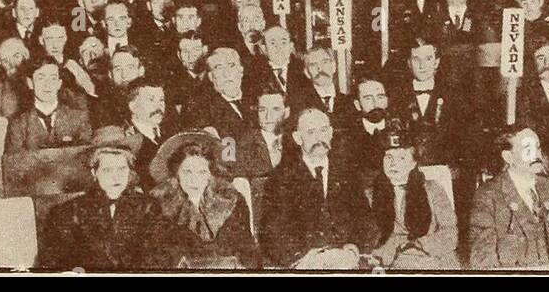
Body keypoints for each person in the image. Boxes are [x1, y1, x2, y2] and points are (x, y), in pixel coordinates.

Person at [38, 131, 174, 270]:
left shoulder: (149, 208)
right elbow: (53, 263)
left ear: (130, 171)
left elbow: (158, 258)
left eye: (121, 169)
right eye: (107, 170)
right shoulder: (68, 212)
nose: (116, 177)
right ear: (94, 173)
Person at [259, 107, 376, 268]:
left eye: (323, 130)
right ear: (297, 138)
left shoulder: (347, 172)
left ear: (331, 133)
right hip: (305, 261)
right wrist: (303, 257)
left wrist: (353, 248)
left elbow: (366, 220)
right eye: (311, 132)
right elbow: (272, 231)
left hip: (346, 257)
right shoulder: (280, 178)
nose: (319, 138)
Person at [468, 125, 549, 269]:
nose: (537, 156)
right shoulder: (488, 195)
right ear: (508, 157)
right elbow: (483, 257)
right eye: (528, 150)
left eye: (538, 148)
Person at [149, 131, 260, 269]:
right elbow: (155, 259)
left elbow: (248, 251)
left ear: (211, 174)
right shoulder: (159, 206)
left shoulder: (232, 200)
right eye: (187, 172)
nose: (194, 180)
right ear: (176, 174)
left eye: (201, 172)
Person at [365, 125, 459, 270]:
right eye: (388, 157)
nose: (393, 163)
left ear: (413, 163)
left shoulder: (433, 190)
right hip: (389, 259)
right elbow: (370, 237)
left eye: (402, 158)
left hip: (430, 257)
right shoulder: (370, 195)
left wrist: (420, 245)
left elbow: (450, 232)